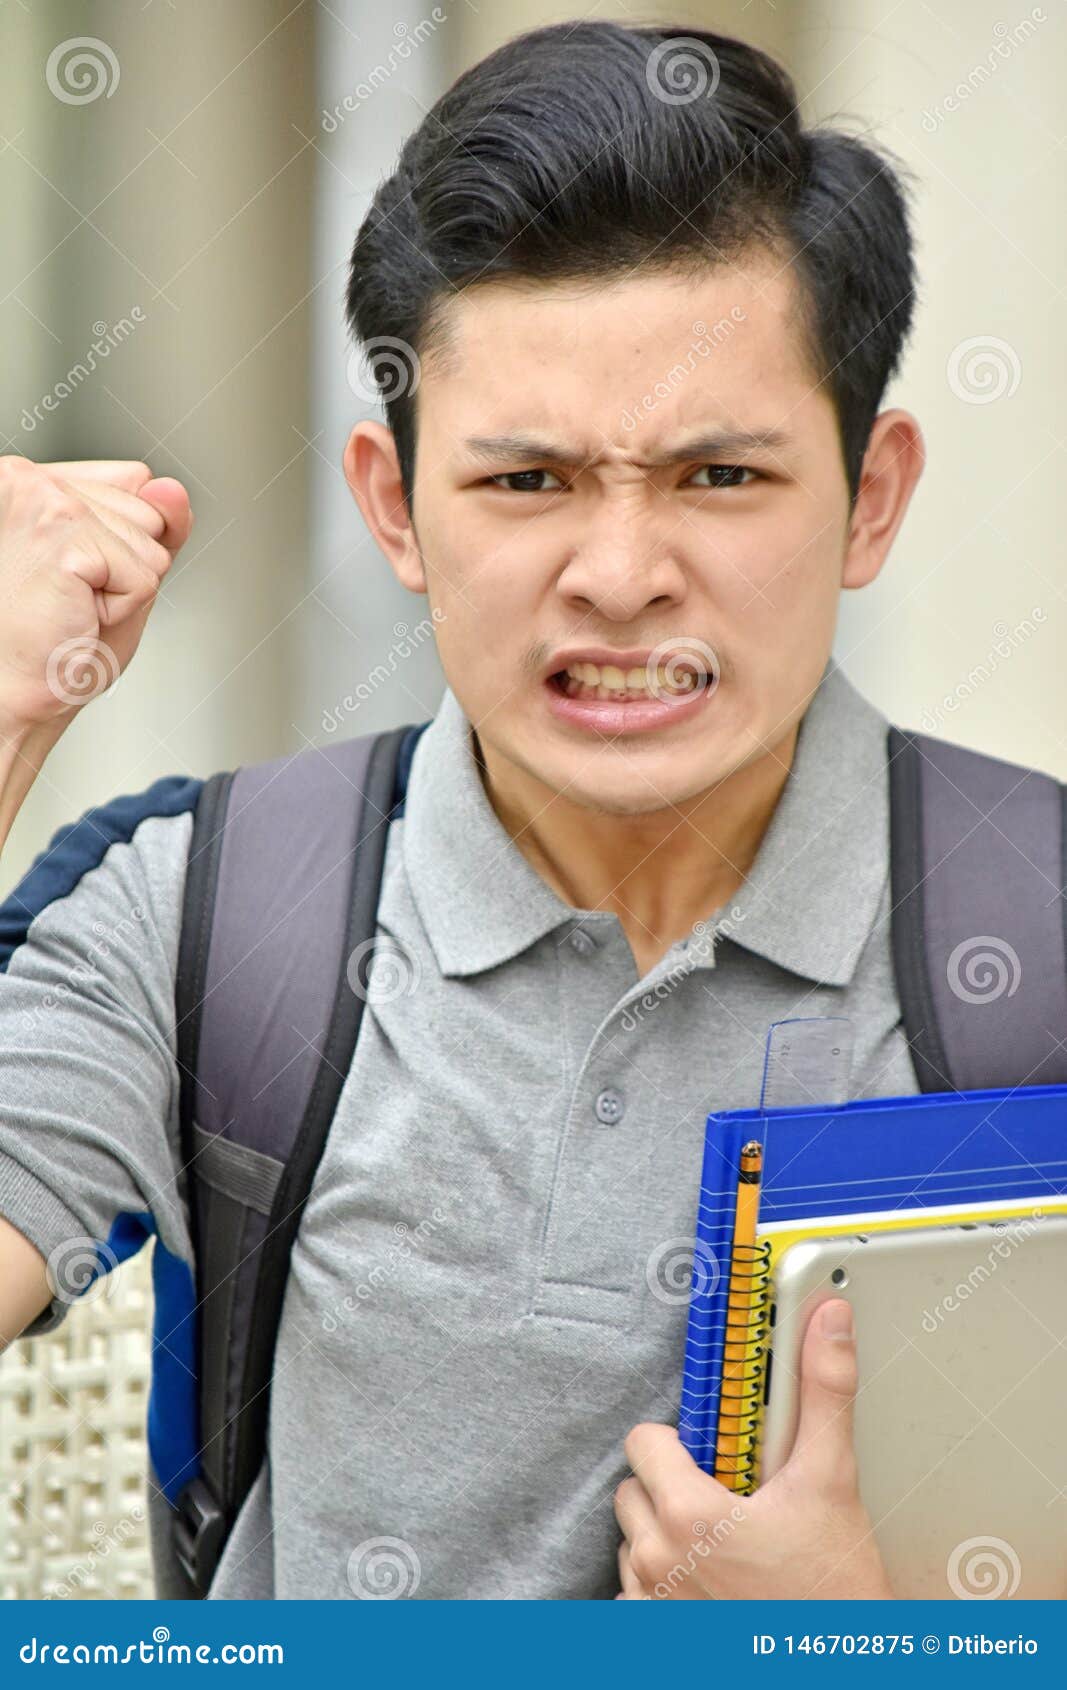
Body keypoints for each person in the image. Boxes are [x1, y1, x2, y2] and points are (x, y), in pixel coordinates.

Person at [0, 19, 927, 1599]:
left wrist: (885, 1640)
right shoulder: (198, 913)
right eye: (526, 481)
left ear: (870, 495)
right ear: (394, 506)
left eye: (719, 479)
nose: (623, 577)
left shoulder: (1027, 928)